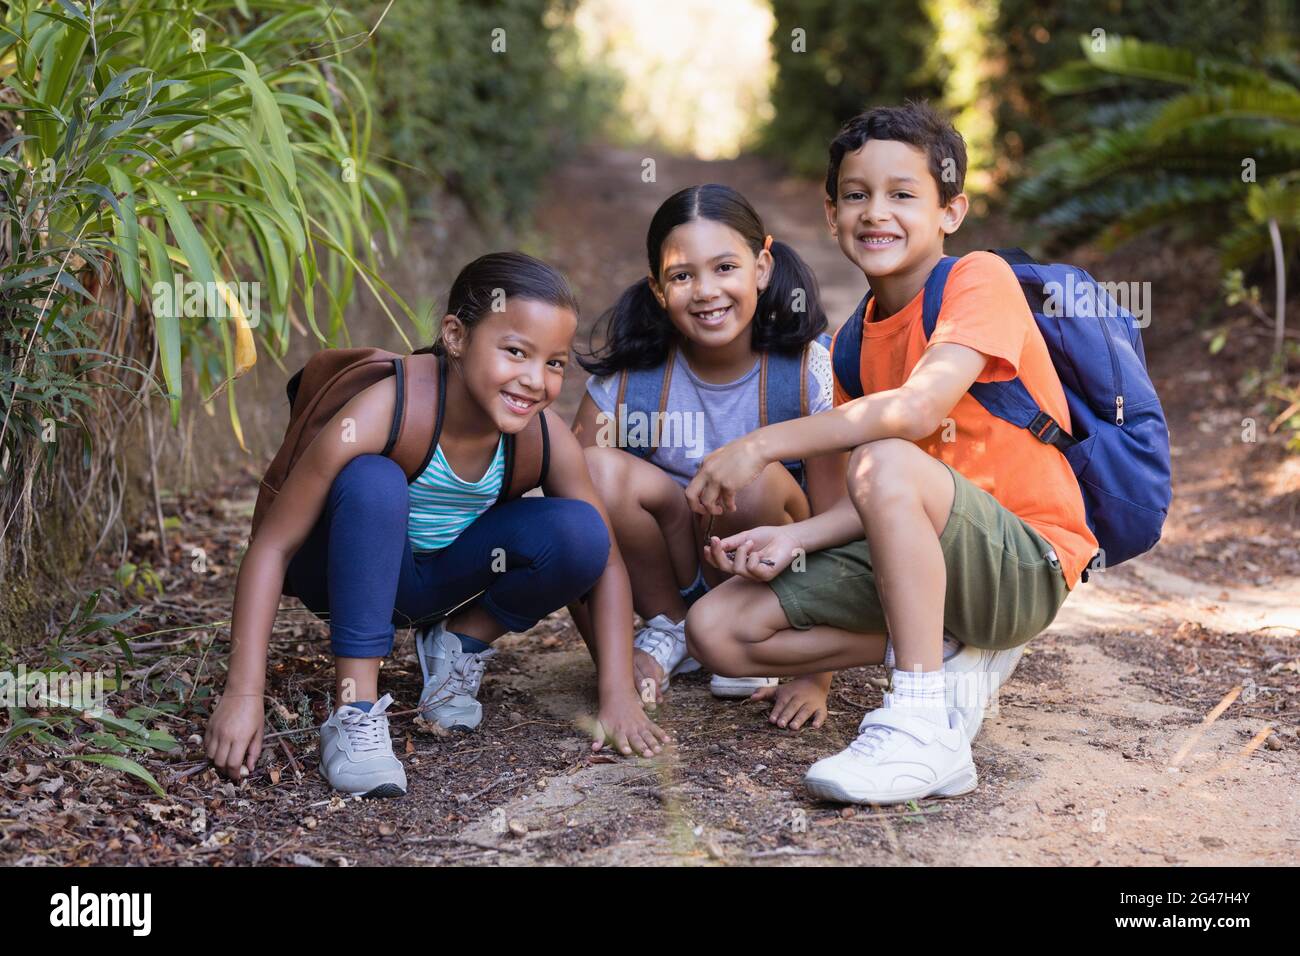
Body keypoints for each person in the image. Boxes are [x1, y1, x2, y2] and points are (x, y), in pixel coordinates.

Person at [683, 103, 1097, 805]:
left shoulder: (979, 280)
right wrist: (795, 537)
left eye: (903, 194)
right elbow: (870, 502)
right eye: (856, 194)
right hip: (922, 552)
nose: (876, 212)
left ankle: (921, 722)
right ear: (831, 213)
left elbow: (915, 412)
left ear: (951, 211)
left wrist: (758, 447)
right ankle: (940, 654)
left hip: (1023, 563)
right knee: (717, 630)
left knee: (887, 452)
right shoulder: (853, 340)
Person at [205, 252, 670, 799]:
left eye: (554, 363)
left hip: (440, 582)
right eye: (516, 352)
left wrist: (617, 693)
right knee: (375, 479)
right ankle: (354, 712)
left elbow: (606, 563)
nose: (534, 380)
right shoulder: (386, 409)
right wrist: (242, 693)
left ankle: (457, 645)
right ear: (455, 335)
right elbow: (272, 547)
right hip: (344, 573)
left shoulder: (543, 437)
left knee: (582, 531)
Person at [571, 184, 847, 711]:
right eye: (682, 275)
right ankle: (670, 630)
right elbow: (571, 521)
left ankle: (752, 629)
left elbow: (837, 517)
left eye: (725, 268)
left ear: (761, 269)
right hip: (672, 570)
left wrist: (816, 677)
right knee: (592, 470)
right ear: (657, 289)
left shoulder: (809, 369)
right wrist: (610, 663)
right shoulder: (628, 385)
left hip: (773, 576)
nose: (705, 291)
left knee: (752, 478)